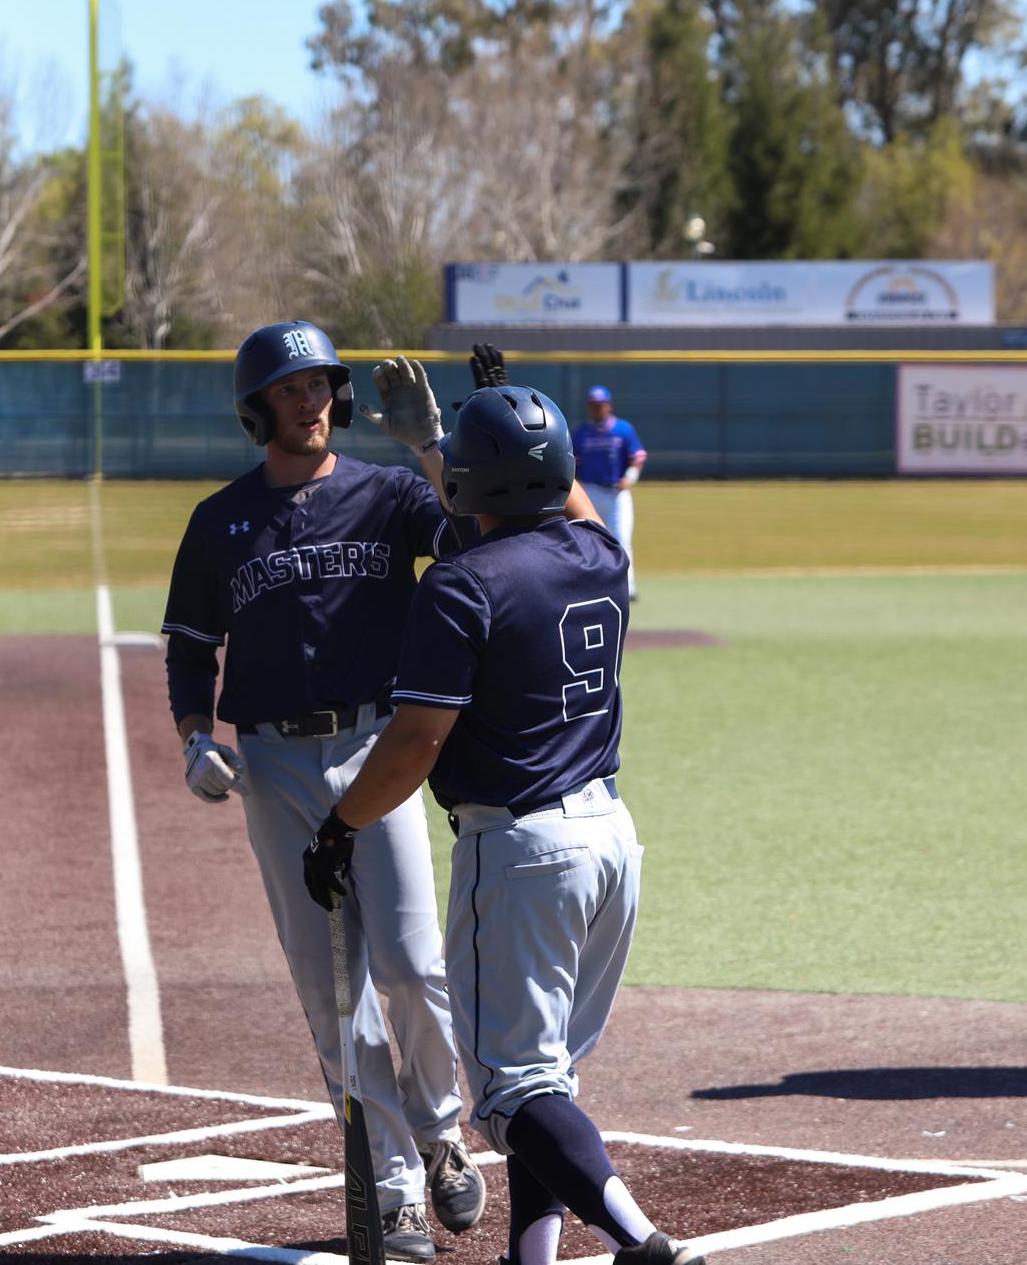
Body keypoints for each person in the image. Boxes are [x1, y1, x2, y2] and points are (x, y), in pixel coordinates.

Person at [301, 382, 702, 1265]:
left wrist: (340, 823)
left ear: (467, 486)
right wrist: (501, 427)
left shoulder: (459, 585)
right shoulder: (603, 556)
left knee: (513, 1093)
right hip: (611, 842)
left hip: (520, 852)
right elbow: (573, 501)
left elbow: (414, 744)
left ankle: (640, 1237)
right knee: (542, 1078)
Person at [161, 321, 497, 1260]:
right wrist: (195, 737)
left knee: (408, 963)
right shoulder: (219, 520)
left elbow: (473, 537)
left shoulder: (389, 495)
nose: (310, 401)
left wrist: (433, 448)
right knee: (329, 986)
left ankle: (443, 1138)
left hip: (375, 751)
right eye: (290, 388)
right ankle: (390, 1187)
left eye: (320, 385)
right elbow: (190, 643)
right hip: (273, 767)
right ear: (255, 407)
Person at [570, 386, 646, 600]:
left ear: (609, 405)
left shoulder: (623, 429)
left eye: (600, 405)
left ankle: (628, 587)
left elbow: (637, 458)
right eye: (593, 405)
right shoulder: (582, 433)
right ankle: (591, 586)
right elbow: (573, 462)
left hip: (616, 493)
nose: (596, 409)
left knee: (621, 539)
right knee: (587, 540)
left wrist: (629, 478)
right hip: (591, 492)